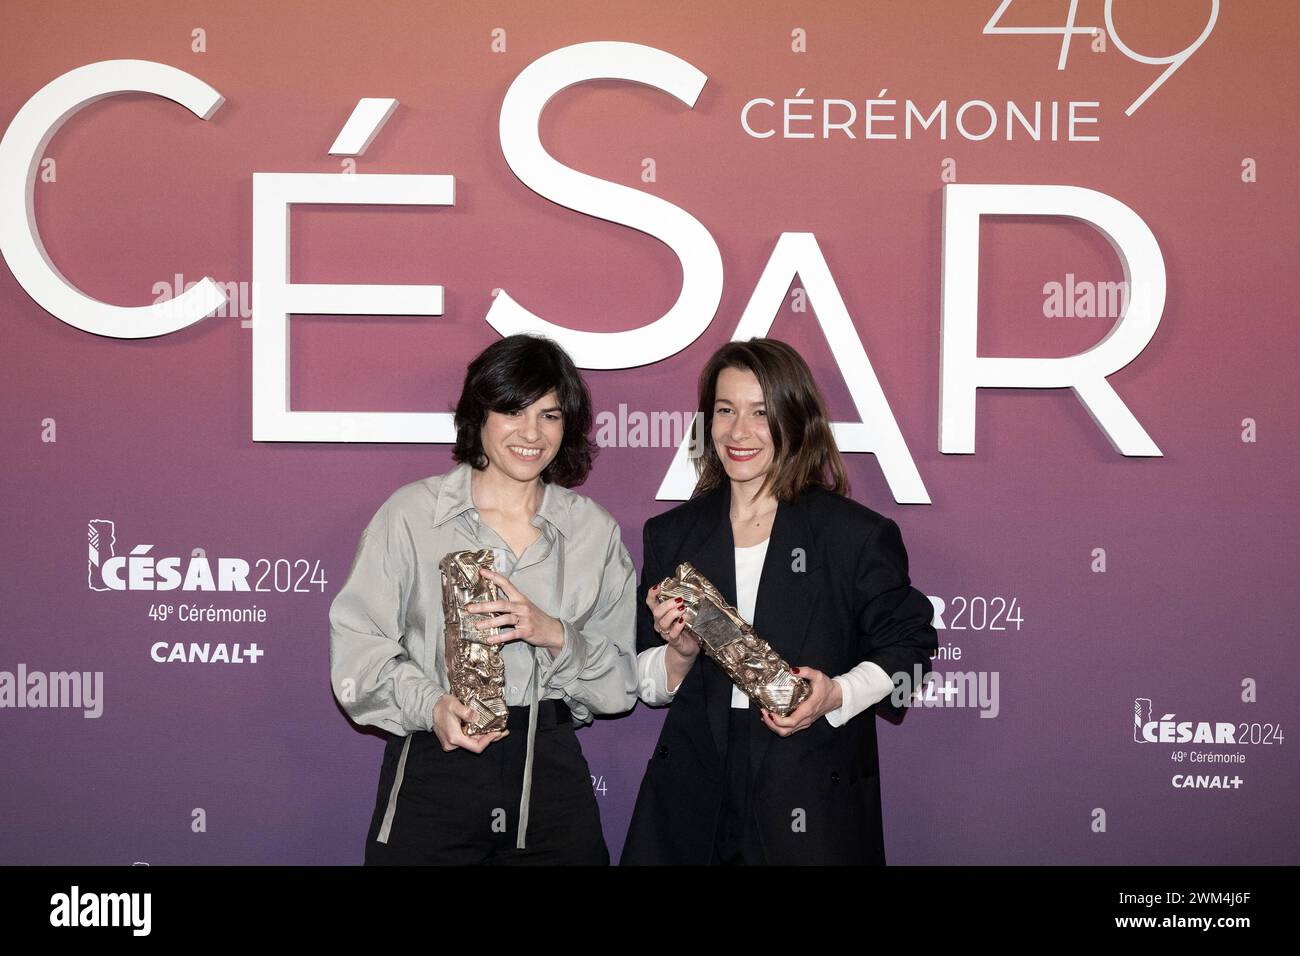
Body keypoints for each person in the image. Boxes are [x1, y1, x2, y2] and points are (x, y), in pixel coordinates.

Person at [621, 338, 937, 865]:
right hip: (692, 800)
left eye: (761, 413)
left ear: (796, 420)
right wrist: (678, 652)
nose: (739, 432)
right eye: (725, 411)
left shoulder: (851, 534)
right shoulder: (672, 535)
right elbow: (645, 681)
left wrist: (835, 694)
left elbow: (910, 646)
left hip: (812, 790)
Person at [329, 333, 637, 865]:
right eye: (513, 410)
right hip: (438, 762)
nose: (530, 433)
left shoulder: (594, 532)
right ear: (480, 414)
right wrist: (432, 705)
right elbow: (358, 650)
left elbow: (620, 687)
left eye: (550, 415)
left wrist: (555, 634)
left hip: (551, 772)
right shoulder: (411, 516)